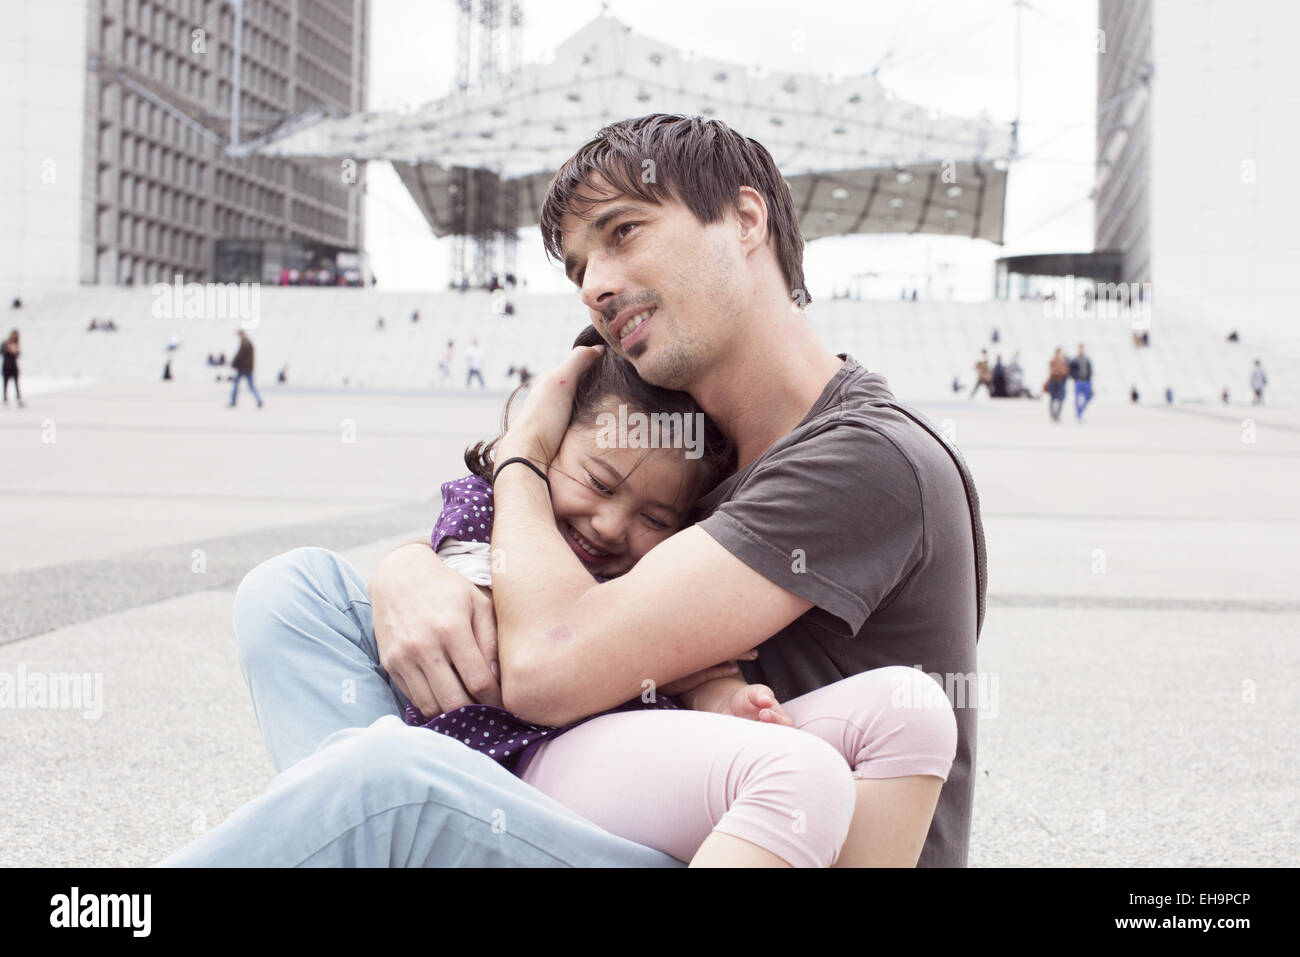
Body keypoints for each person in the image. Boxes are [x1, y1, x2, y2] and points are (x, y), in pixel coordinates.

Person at [158, 113, 984, 869]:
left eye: (623, 233)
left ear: (745, 219)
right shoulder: (696, 440)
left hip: (745, 831)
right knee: (297, 589)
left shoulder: (862, 457)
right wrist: (410, 565)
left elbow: (551, 666)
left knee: (390, 780)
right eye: (581, 266)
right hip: (649, 785)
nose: (593, 282)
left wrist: (521, 449)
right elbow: (531, 560)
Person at [396, 325, 956, 866]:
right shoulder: (492, 509)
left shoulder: (661, 566)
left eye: (655, 516)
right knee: (800, 775)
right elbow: (502, 642)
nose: (612, 525)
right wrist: (508, 472)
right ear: (551, 443)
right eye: (597, 482)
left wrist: (725, 700)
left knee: (915, 708)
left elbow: (705, 673)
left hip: (633, 749)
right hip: (518, 750)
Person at [229, 330, 263, 409]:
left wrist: (234, 363)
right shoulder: (248, 343)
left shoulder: (245, 343)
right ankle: (259, 400)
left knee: (236, 385)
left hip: (243, 368)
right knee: (250, 386)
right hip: (247, 368)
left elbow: (240, 355)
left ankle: (233, 402)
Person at [1069, 344, 1093, 421]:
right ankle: (1078, 414)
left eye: (1082, 349)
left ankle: (1080, 410)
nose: (1081, 350)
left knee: (1088, 397)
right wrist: (1075, 378)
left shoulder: (1087, 359)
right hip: (1078, 381)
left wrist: (1089, 379)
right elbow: (1071, 370)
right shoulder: (1075, 360)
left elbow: (1090, 370)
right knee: (1077, 398)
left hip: (1086, 381)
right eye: (1080, 349)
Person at [1044, 348, 1069, 422]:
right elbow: (1054, 371)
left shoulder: (1064, 362)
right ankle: (1053, 415)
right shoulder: (1052, 361)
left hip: (1061, 382)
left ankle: (1057, 415)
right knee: (1052, 399)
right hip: (1053, 381)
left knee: (1061, 399)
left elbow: (1065, 372)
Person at [2, 330, 23, 408]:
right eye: (15, 335)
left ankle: (18, 399)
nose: (16, 336)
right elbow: (2, 352)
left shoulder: (16, 344)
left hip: (14, 367)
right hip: (6, 367)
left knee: (16, 384)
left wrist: (16, 351)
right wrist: (8, 349)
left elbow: (18, 355)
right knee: (5, 384)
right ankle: (5, 399)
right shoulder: (5, 343)